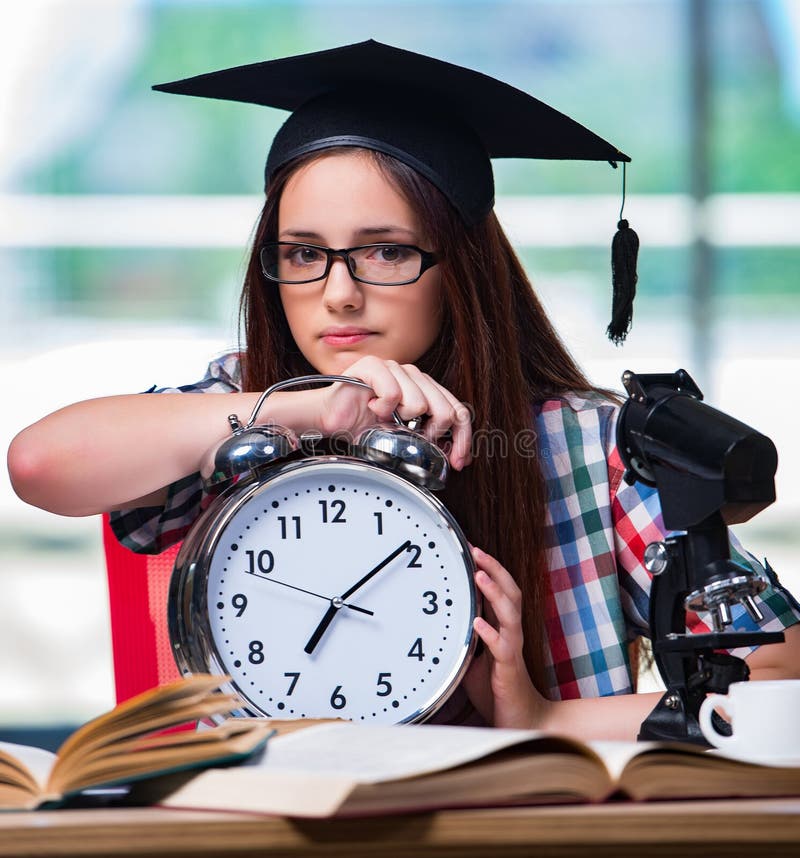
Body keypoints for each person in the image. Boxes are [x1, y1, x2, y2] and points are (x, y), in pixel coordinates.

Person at [8, 41, 800, 740]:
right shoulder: (245, 404)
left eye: (385, 253)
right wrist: (306, 407)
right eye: (303, 252)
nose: (339, 293)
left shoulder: (587, 447)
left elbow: (781, 681)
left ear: (461, 266)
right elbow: (41, 465)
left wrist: (549, 719)